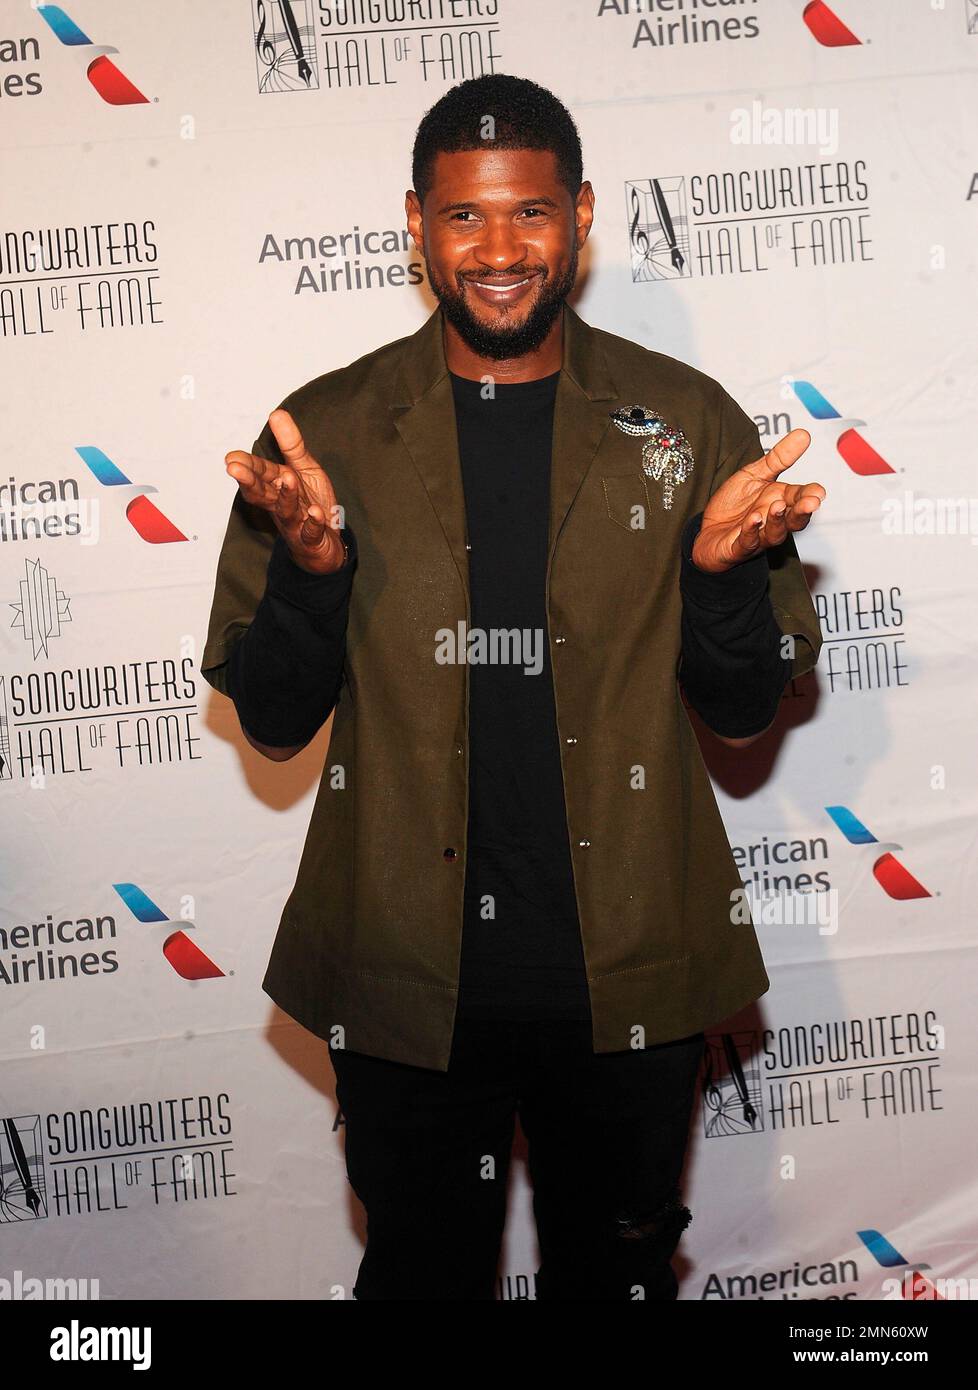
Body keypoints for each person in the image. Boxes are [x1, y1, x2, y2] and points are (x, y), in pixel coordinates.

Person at [201, 74, 825, 1301]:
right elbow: (271, 720)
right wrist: (315, 572)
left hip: (631, 966)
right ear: (417, 224)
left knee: (619, 1278)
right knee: (424, 1279)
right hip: (404, 977)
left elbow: (747, 712)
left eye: (531, 214)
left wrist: (716, 580)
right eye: (464, 218)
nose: (499, 250)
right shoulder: (324, 436)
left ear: (582, 216)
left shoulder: (684, 422)